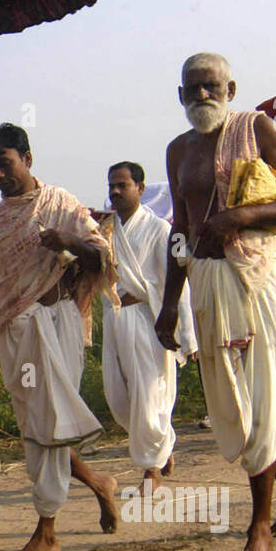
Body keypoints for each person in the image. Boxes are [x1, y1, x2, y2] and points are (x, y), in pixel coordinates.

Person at [153, 53, 276, 551]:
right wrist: (168, 304)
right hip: (205, 277)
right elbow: (180, 227)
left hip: (256, 273)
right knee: (230, 398)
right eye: (192, 89)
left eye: (211, 87)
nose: (202, 96)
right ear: (180, 96)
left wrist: (242, 216)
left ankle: (260, 526)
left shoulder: (258, 128)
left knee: (261, 391)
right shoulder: (178, 150)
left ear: (231, 88)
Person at [0, 124, 120, 551]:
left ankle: (47, 528)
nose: (0, 175)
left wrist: (68, 241)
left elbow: (101, 254)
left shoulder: (60, 203)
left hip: (59, 326)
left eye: (6, 163)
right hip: (18, 334)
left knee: (48, 427)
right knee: (38, 426)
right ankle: (99, 484)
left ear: (27, 158)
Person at [102, 161, 198, 490]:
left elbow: (177, 283)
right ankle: (163, 443)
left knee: (149, 394)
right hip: (114, 319)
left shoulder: (159, 229)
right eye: (111, 186)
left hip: (149, 319)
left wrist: (186, 334)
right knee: (119, 397)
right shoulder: (104, 230)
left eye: (122, 185)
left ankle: (151, 469)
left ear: (140, 189)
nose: (115, 191)